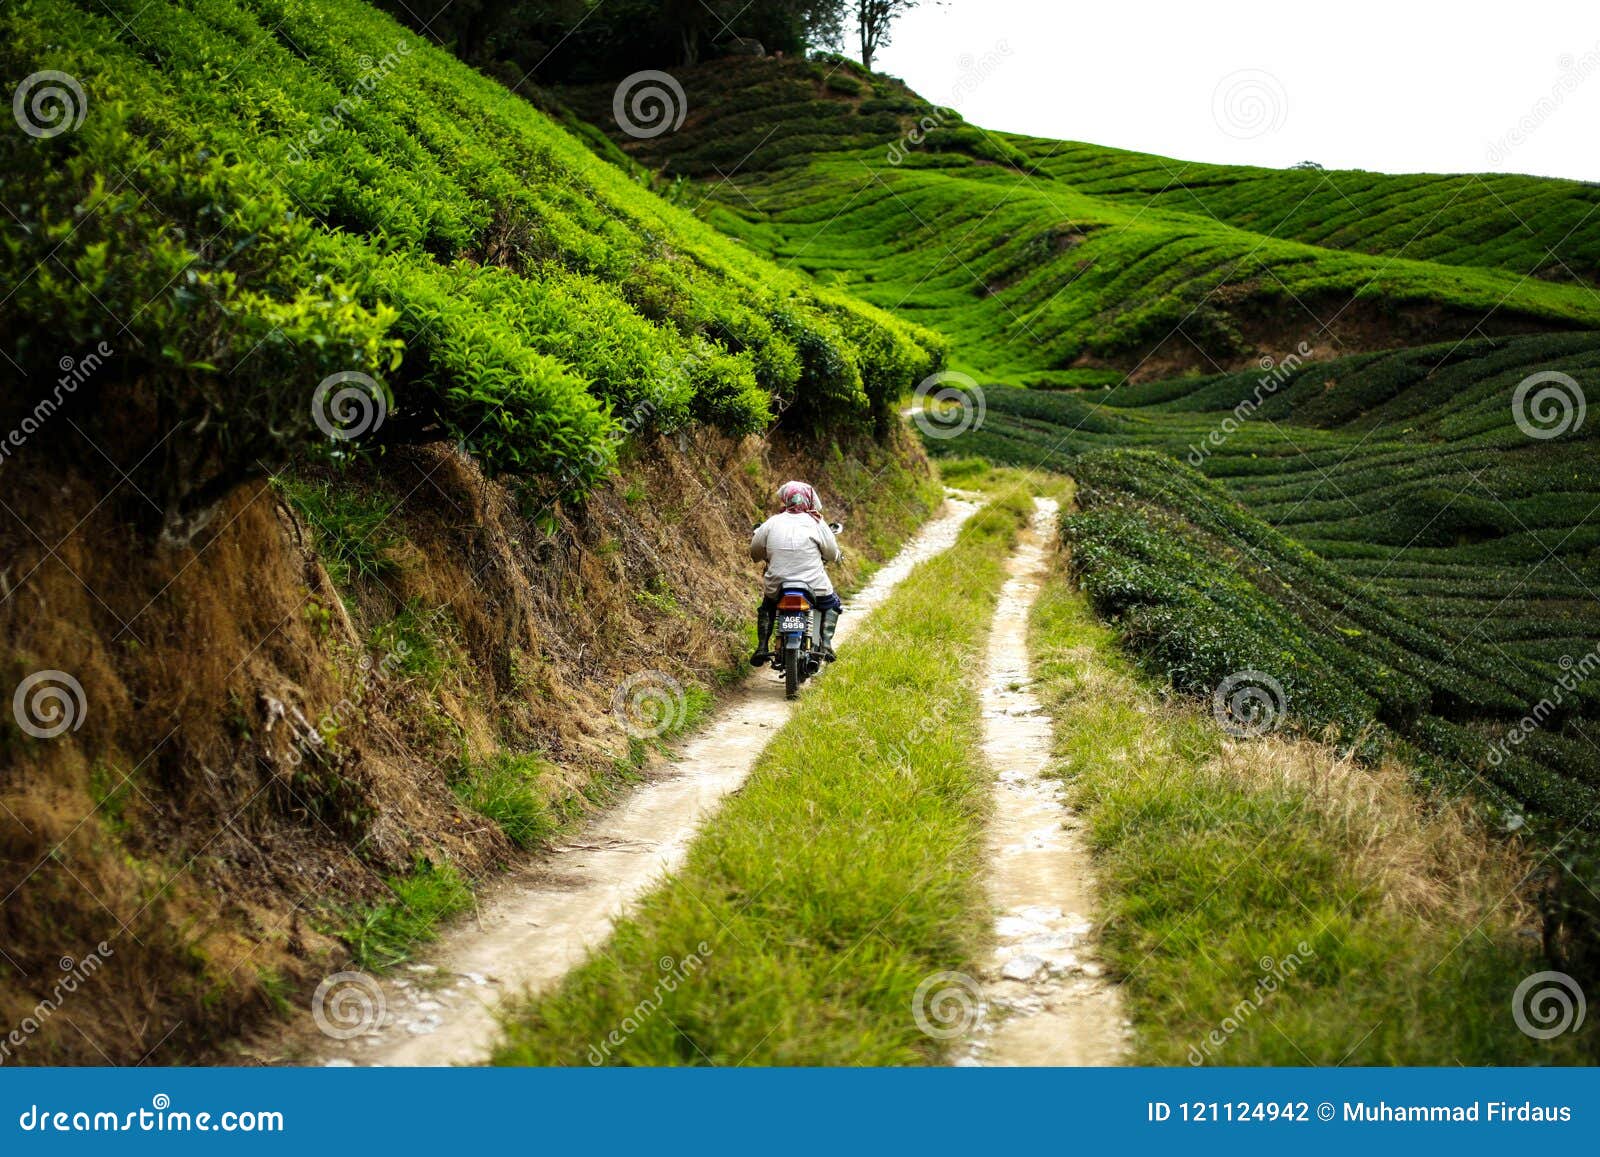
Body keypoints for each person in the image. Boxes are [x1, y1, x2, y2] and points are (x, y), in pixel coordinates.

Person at [748, 480, 843, 666]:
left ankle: (761, 646)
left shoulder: (772, 522)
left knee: (767, 607)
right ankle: (826, 645)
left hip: (778, 584)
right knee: (832, 603)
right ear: (809, 499)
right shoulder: (817, 522)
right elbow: (831, 555)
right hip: (813, 584)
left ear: (786, 499)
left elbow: (755, 553)